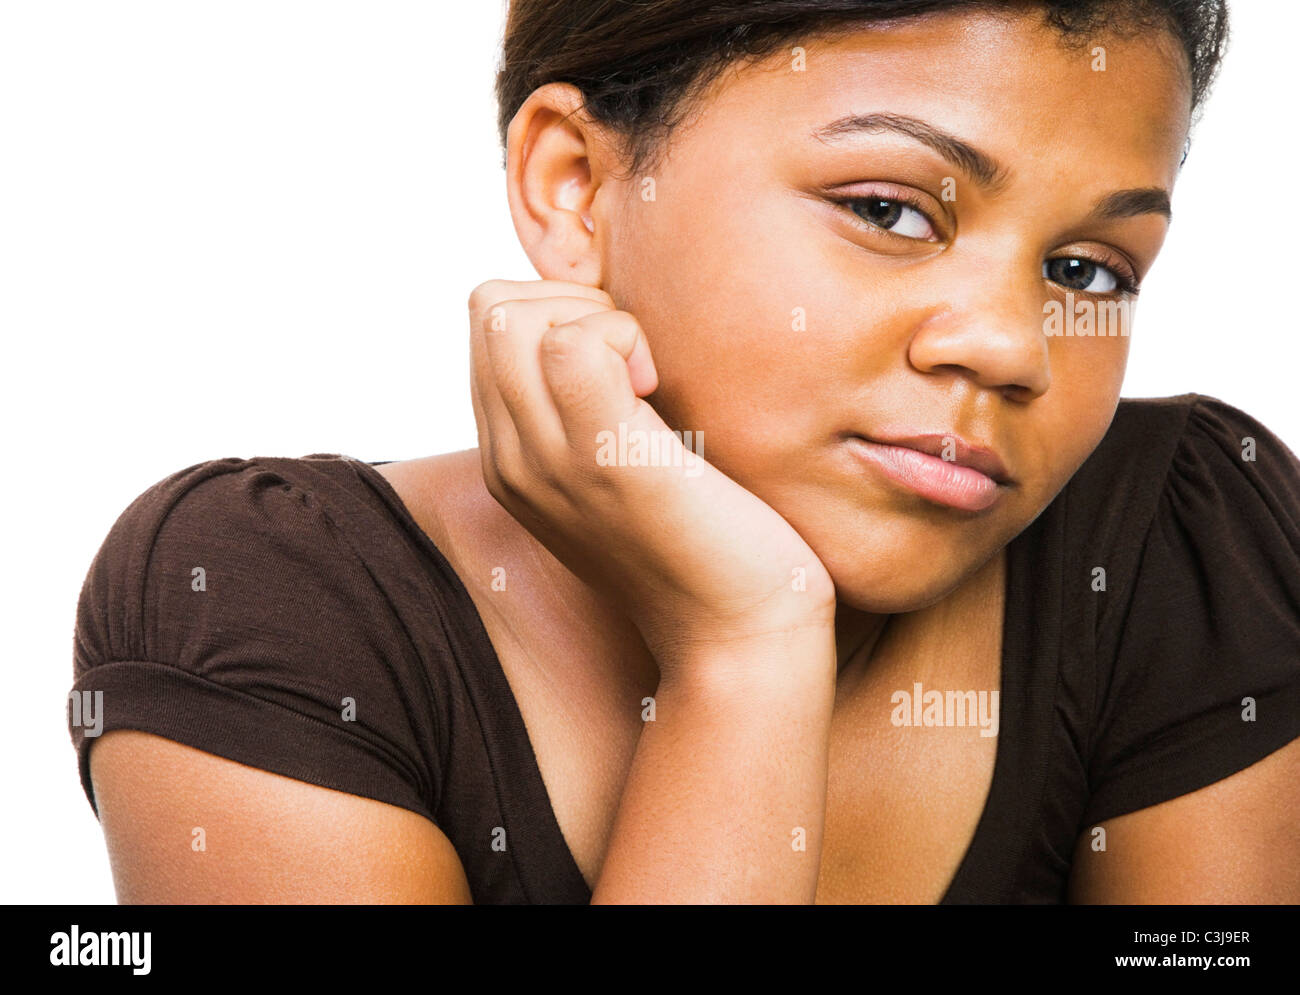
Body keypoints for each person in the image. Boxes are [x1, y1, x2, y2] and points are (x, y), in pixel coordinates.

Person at [69, 0, 1300, 904]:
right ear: (576, 186)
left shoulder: (1182, 549)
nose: (1013, 346)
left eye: (1084, 269)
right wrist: (746, 652)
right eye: (887, 209)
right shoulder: (275, 605)